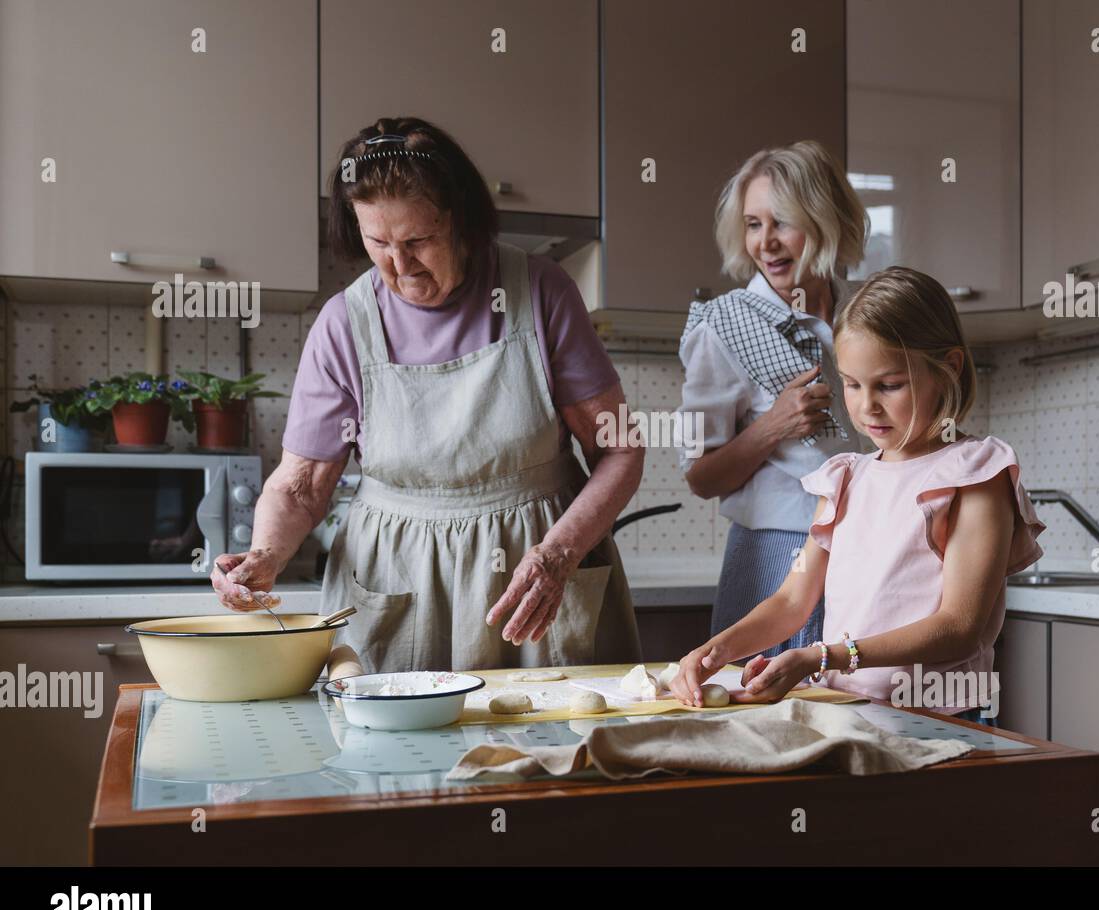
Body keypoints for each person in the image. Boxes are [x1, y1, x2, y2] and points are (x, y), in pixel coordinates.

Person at [210, 116, 642, 674]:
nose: (399, 264)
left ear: (460, 220)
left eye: (418, 240)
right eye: (377, 242)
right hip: (393, 582)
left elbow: (621, 450)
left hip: (534, 582)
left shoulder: (539, 292)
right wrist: (265, 556)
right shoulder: (345, 323)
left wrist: (558, 555)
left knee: (551, 749)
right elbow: (299, 487)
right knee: (390, 756)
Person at [669, 266, 1046, 724]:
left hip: (939, 718)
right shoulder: (844, 478)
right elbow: (792, 601)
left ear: (948, 368)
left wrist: (822, 657)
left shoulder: (975, 474)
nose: (867, 406)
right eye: (851, 383)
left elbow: (960, 627)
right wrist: (715, 650)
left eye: (889, 385)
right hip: (844, 711)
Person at [677, 141, 870, 660]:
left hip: (865, 546)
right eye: (753, 224)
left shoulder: (867, 310)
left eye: (782, 222)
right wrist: (773, 427)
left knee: (855, 711)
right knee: (762, 713)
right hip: (774, 553)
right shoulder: (725, 326)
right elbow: (699, 477)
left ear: (825, 220)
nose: (766, 243)